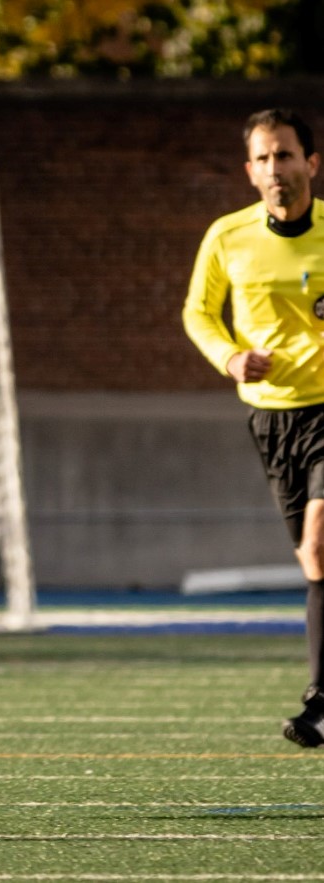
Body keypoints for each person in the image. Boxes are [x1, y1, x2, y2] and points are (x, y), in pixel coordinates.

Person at [184, 107, 324, 749]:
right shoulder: (227, 237)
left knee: (320, 545)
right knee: (313, 562)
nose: (276, 168)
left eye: (287, 155)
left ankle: (318, 699)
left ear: (312, 164)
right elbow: (198, 313)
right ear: (250, 171)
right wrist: (231, 357)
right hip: (271, 418)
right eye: (264, 158)